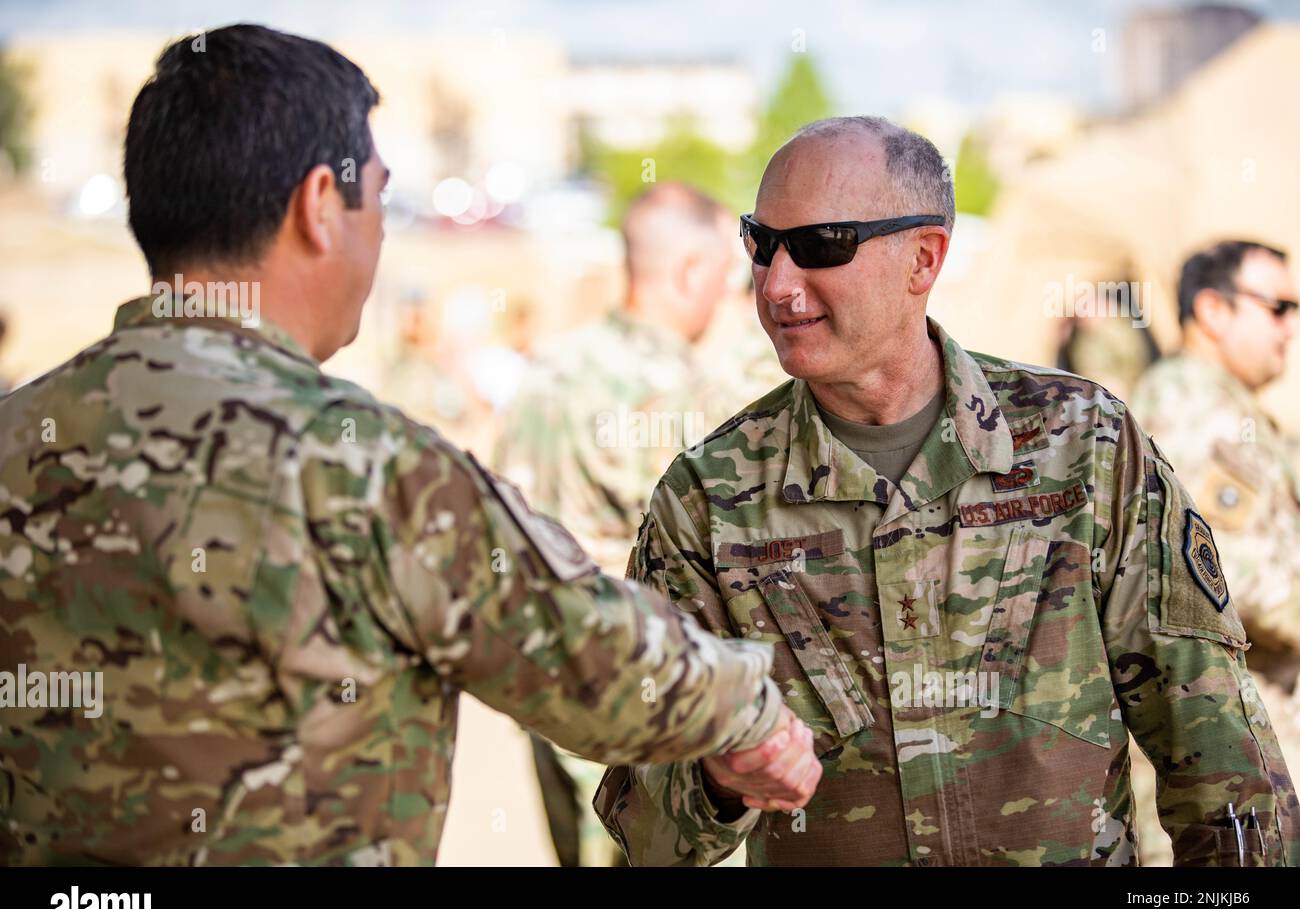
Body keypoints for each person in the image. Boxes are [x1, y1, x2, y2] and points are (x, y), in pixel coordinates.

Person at [0, 24, 820, 867]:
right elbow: (595, 660)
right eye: (378, 200)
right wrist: (752, 711)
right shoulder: (362, 465)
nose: (382, 235)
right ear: (321, 206)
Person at [596, 115, 1299, 866]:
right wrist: (718, 781)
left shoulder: (1084, 449)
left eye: (818, 246)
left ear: (923, 258)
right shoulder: (706, 499)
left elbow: (1223, 764)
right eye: (760, 245)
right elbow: (645, 831)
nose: (777, 283)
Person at [495, 182, 737, 865]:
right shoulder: (691, 397)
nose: (726, 297)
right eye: (723, 277)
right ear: (691, 271)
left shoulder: (546, 375)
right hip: (640, 711)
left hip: (545, 690)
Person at [1130, 240, 1300, 775]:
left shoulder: (1229, 405)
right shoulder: (1191, 401)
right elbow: (1226, 568)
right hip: (1233, 735)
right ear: (1212, 310)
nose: (1289, 328)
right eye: (1277, 308)